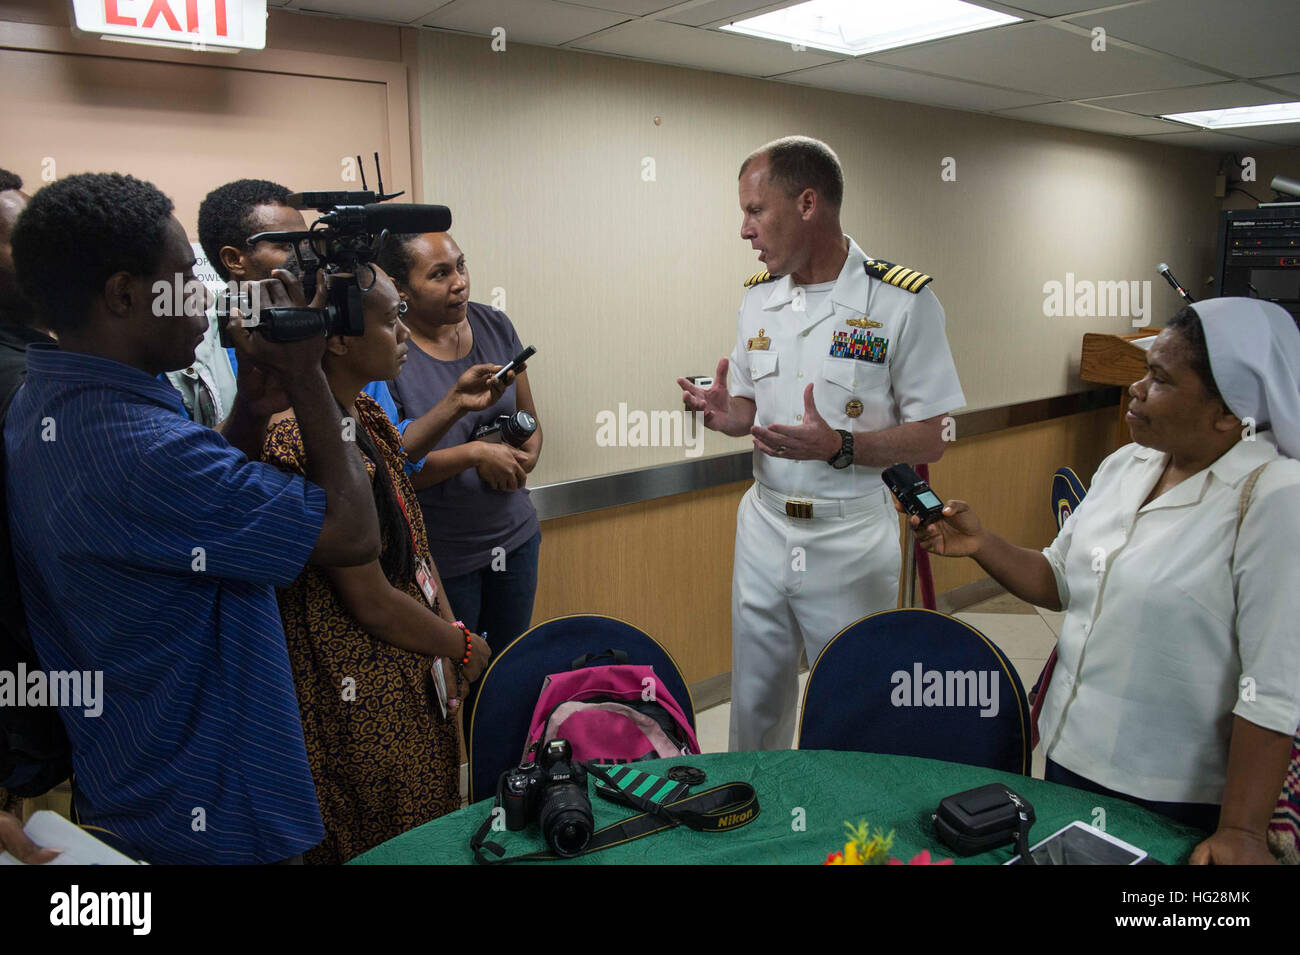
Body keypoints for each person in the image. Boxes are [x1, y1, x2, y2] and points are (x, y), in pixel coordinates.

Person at [6, 171, 381, 864]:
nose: (206, 299)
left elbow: (181, 529)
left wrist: (248, 414)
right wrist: (305, 373)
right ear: (123, 294)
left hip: (135, 783)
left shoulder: (48, 402)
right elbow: (355, 534)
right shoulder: (141, 445)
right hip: (216, 810)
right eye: (184, 278)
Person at [909, 299, 1300, 864]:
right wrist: (981, 544)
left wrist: (1240, 832)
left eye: (1159, 378)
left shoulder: (1272, 495)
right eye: (1143, 371)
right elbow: (1063, 581)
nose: (1136, 389)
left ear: (1226, 411)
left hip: (1175, 797)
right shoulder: (1127, 465)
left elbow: (1273, 686)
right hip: (1071, 758)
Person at [677, 136, 965, 752]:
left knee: (851, 702)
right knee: (754, 705)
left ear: (808, 203)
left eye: (755, 211)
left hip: (848, 537)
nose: (744, 229)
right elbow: (752, 408)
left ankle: (843, 837)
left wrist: (841, 446)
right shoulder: (758, 296)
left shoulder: (898, 302)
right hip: (763, 523)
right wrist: (727, 415)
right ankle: (756, 829)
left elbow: (935, 435)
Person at [260, 261, 495, 864]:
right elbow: (366, 598)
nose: (403, 335)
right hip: (360, 690)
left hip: (411, 661)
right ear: (335, 339)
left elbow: (411, 538)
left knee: (432, 824)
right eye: (391, 322)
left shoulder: (363, 414)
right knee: (385, 841)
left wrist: (451, 633)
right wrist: (459, 646)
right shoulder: (296, 441)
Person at [378, 232, 542, 652]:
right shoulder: (385, 351)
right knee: (459, 678)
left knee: (508, 672)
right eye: (439, 274)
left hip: (515, 537)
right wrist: (475, 453)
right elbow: (392, 468)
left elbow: (530, 421)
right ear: (400, 288)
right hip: (445, 555)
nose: (460, 282)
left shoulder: (495, 325)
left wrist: (525, 454)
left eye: (461, 265)